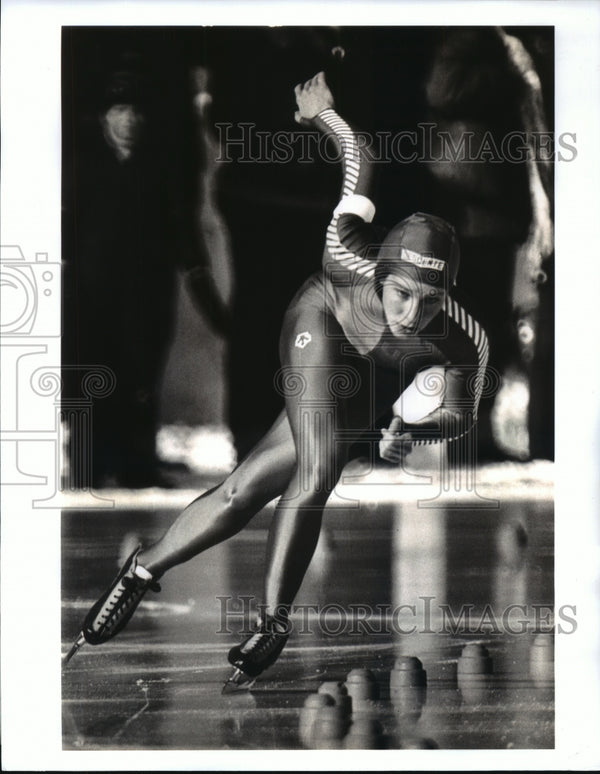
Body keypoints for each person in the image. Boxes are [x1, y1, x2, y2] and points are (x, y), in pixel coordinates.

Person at [66, 73, 489, 688]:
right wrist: (325, 115)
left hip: (369, 376)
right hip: (320, 325)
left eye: (430, 302)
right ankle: (273, 622)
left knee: (247, 490)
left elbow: (465, 415)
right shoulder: (347, 253)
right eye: (400, 293)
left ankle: (141, 568)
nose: (412, 313)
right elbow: (359, 158)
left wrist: (415, 425)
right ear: (382, 273)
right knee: (319, 471)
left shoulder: (462, 338)